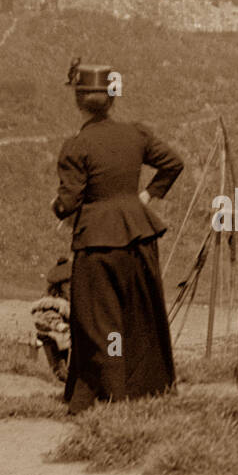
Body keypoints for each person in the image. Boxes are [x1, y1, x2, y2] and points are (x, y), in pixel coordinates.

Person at [53, 61, 184, 414]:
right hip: (140, 235)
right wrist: (145, 196)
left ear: (79, 102)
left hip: (97, 241)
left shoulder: (76, 146)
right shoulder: (136, 134)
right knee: (139, 314)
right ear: (113, 99)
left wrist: (58, 208)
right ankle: (147, 388)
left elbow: (68, 202)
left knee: (99, 321)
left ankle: (111, 394)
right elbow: (174, 163)